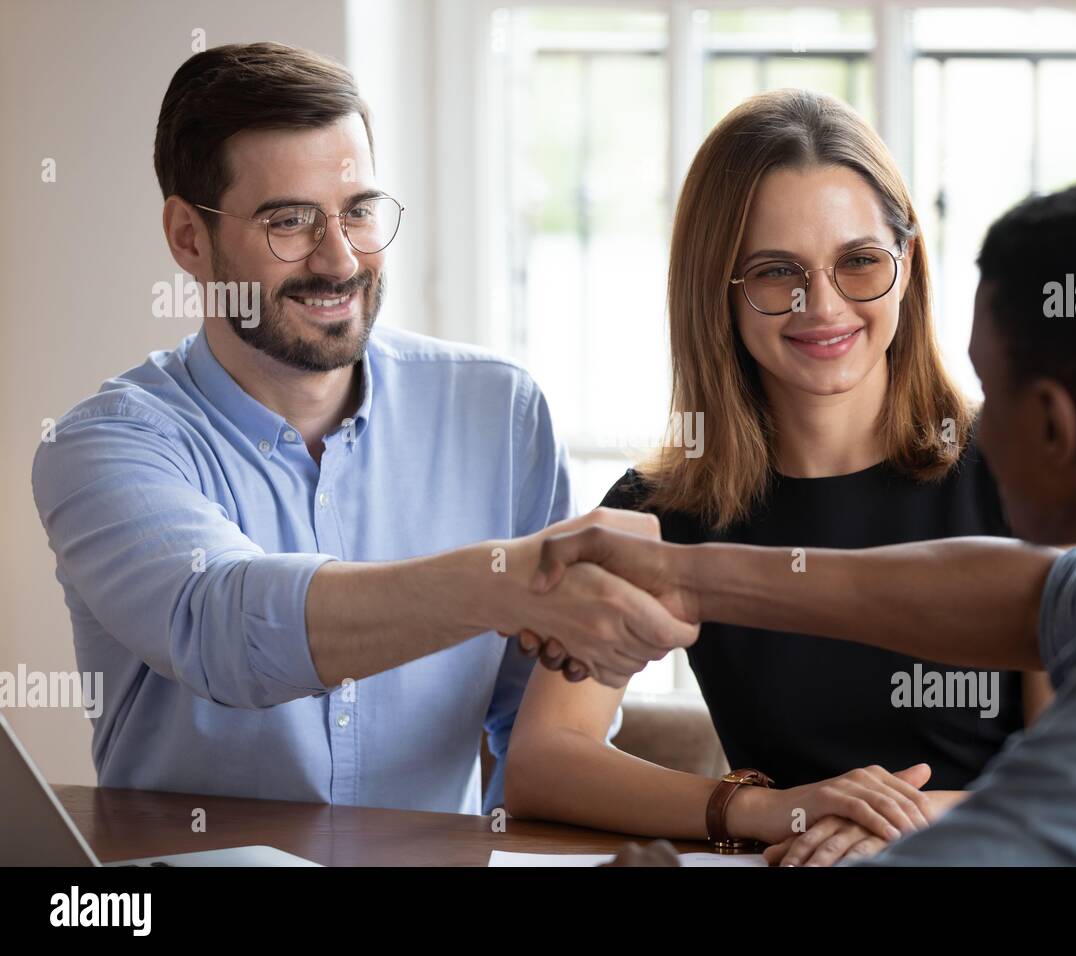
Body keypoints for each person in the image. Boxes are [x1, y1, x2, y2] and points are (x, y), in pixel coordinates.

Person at [530, 180, 1076, 865]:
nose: (976, 425)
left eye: (992, 392)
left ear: (1053, 427)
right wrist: (689, 578)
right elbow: (1024, 594)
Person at [30, 42, 692, 815]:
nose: (340, 259)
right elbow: (223, 629)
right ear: (187, 238)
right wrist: (503, 581)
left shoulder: (499, 413)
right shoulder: (104, 446)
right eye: (290, 221)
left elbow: (534, 737)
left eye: (359, 212)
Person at [503, 90, 1051, 858]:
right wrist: (767, 810)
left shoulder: (1027, 468)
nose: (822, 306)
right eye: (774, 272)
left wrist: (892, 826)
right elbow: (540, 763)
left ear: (908, 264)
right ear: (715, 289)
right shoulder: (662, 507)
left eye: (859, 261)